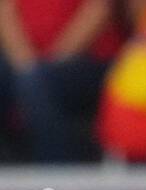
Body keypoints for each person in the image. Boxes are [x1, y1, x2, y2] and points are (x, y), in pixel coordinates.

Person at [0, 0, 122, 161]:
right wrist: (26, 65)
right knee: (30, 80)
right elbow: (5, 10)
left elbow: (99, 9)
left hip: (88, 59)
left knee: (38, 83)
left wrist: (48, 65)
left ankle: (57, 176)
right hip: (26, 60)